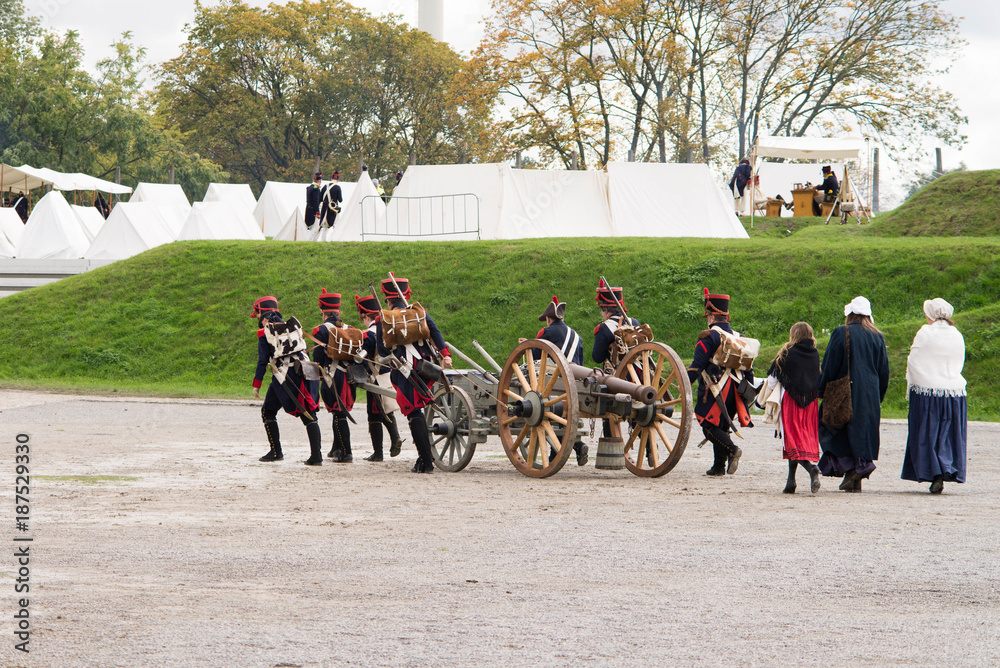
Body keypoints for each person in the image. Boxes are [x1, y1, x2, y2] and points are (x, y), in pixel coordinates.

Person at [376, 276, 453, 473]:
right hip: (426, 367)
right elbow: (434, 332)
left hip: (405, 370)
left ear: (387, 299)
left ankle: (426, 462)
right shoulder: (418, 312)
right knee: (417, 409)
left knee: (413, 412)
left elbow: (383, 351)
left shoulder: (383, 318)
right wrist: (445, 355)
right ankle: (424, 457)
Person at [818, 296, 890, 492]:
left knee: (835, 428)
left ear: (850, 314)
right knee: (861, 432)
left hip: (846, 392)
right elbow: (884, 370)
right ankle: (856, 474)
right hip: (870, 393)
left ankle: (852, 469)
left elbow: (830, 365)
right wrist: (878, 396)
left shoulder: (842, 332)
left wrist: (821, 388)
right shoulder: (878, 336)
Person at [901, 298, 967, 494]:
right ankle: (946, 468)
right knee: (946, 435)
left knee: (928, 434)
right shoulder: (956, 334)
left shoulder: (925, 332)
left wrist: (915, 381)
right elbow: (959, 361)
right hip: (954, 392)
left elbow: (914, 360)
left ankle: (933, 472)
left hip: (928, 392)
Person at [686, 288, 752, 476]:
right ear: (727, 317)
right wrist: (748, 391)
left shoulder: (709, 337)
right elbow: (749, 368)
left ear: (711, 317)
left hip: (715, 389)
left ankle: (732, 450)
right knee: (722, 425)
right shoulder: (740, 338)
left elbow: (696, 365)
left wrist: (685, 384)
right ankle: (718, 466)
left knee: (708, 426)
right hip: (736, 390)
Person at [251, 296, 323, 466]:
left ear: (263, 315)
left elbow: (263, 361)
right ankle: (315, 455)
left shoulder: (265, 332)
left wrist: (257, 384)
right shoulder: (292, 328)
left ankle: (278, 452)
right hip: (304, 370)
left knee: (271, 412)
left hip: (284, 376)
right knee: (307, 413)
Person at [521, 295, 588, 466]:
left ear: (549, 319)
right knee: (557, 417)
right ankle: (563, 452)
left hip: (552, 384)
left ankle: (562, 453)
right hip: (574, 383)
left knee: (547, 414)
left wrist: (528, 344)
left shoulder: (546, 332)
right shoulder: (576, 336)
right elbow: (579, 361)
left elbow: (535, 358)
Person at [764, 322, 822, 494]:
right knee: (801, 438)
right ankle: (791, 481)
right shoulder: (815, 354)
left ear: (794, 334)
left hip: (791, 400)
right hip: (810, 402)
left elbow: (773, 378)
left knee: (791, 439)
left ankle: (812, 469)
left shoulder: (786, 353)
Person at [356, 293, 405, 462]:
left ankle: (378, 453)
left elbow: (364, 359)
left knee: (374, 414)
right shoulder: (387, 329)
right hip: (387, 373)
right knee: (385, 408)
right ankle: (394, 439)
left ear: (365, 316)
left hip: (374, 375)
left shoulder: (366, 335)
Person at [311, 290, 357, 463]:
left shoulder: (320, 330)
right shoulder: (351, 329)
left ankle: (346, 452)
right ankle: (336, 448)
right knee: (339, 412)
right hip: (348, 376)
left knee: (338, 413)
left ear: (323, 312)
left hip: (332, 375)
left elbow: (318, 358)